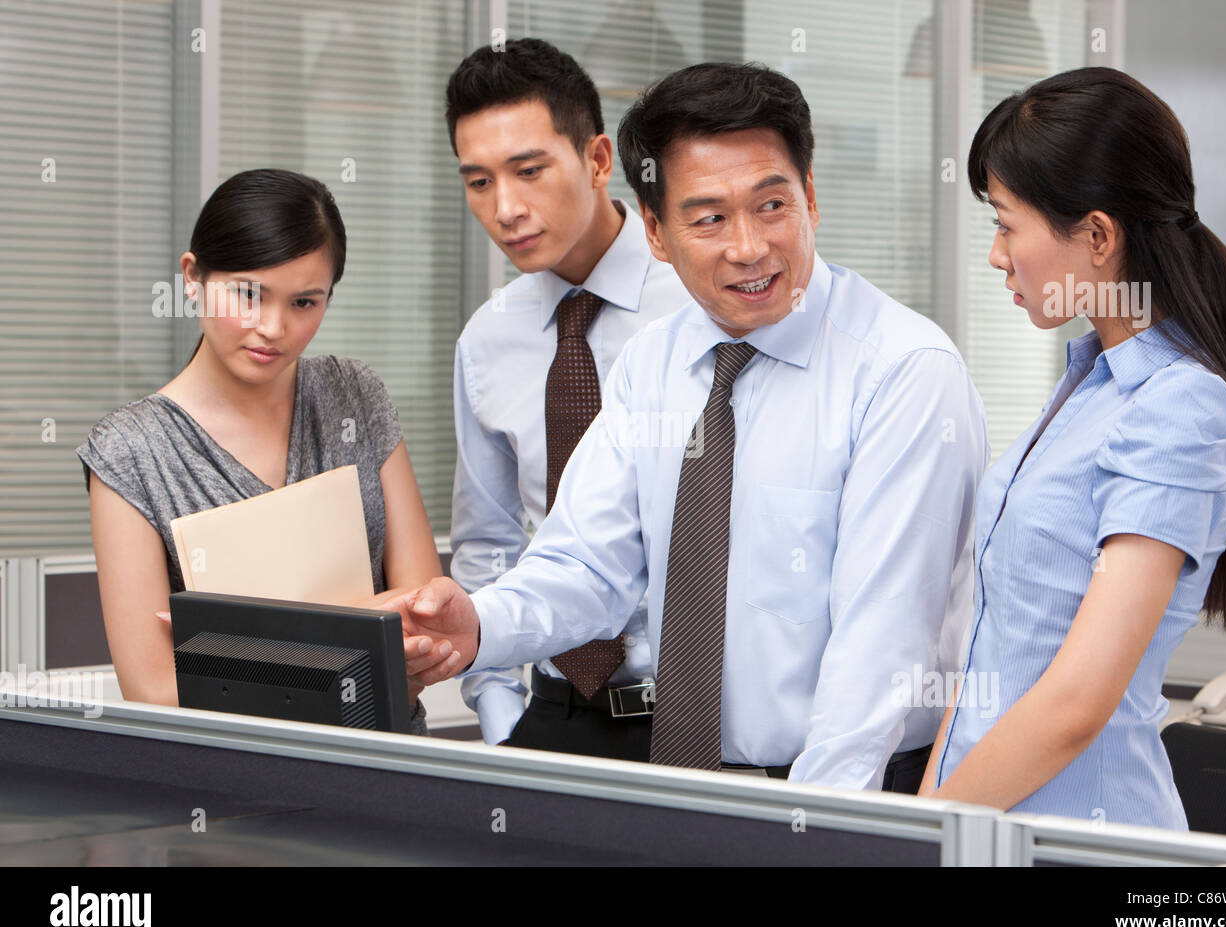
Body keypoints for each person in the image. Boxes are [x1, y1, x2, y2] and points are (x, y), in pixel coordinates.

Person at [395, 62, 988, 791]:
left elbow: (882, 642)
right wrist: (480, 627)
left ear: (810, 197)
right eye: (708, 218)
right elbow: (588, 564)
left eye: (772, 205)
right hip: (686, 783)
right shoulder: (655, 362)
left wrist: (812, 826)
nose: (748, 247)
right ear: (656, 232)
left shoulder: (904, 370)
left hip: (842, 788)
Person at [917, 67, 1226, 829]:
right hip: (985, 826)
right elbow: (991, 649)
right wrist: (929, 817)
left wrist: (927, 830)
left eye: (1007, 225)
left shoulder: (1180, 405)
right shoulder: (1084, 385)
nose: (996, 255)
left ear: (1099, 236)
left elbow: (1077, 702)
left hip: (1082, 834)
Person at [76, 168, 441, 733]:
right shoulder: (130, 450)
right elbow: (154, 689)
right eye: (248, 294)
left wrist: (234, 649)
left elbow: (424, 617)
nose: (272, 327)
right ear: (193, 278)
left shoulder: (354, 396)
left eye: (304, 302)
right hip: (233, 787)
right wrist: (365, 625)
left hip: (387, 756)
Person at [444, 39, 691, 755]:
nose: (506, 208)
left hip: (698, 715)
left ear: (598, 160)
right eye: (479, 182)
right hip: (557, 714)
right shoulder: (488, 340)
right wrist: (501, 715)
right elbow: (487, 546)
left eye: (528, 171)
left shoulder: (701, 303)